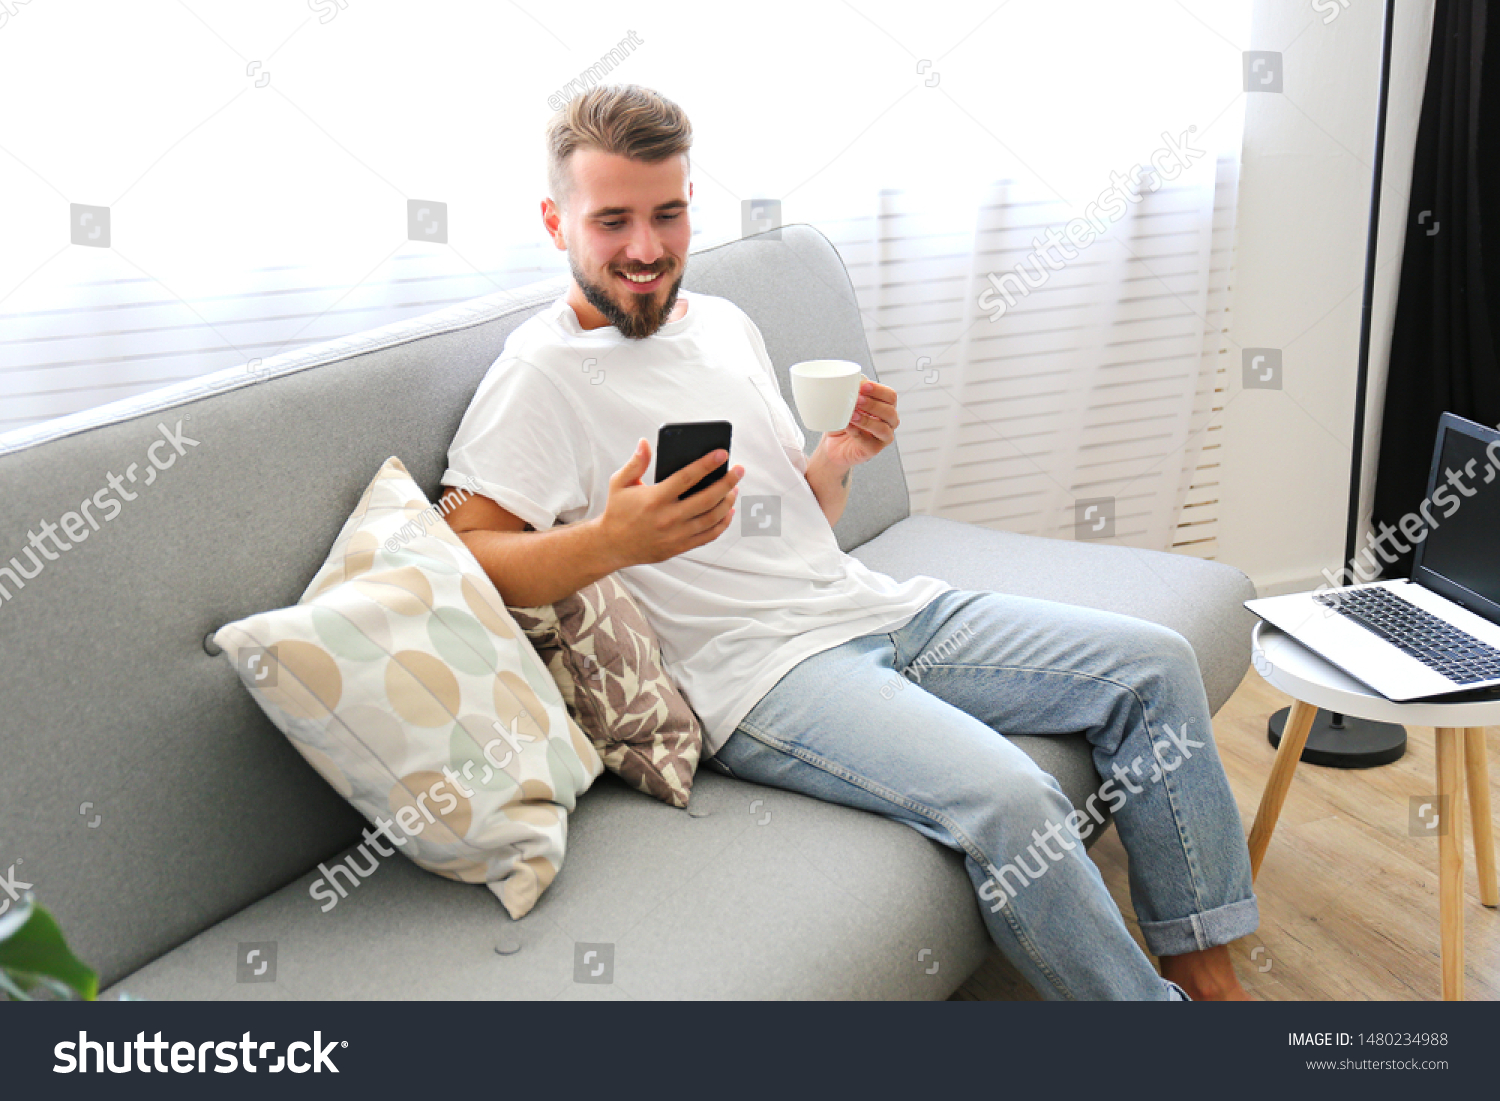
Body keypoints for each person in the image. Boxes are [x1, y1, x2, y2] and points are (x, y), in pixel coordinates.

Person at [439, 83, 1258, 1000]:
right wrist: (610, 542)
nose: (645, 248)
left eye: (667, 214)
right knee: (1013, 799)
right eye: (612, 220)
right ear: (556, 221)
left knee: (1154, 665)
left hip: (872, 604)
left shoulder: (723, 323)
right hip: (762, 675)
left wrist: (836, 460)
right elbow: (462, 555)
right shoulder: (539, 374)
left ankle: (1210, 976)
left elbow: (797, 521)